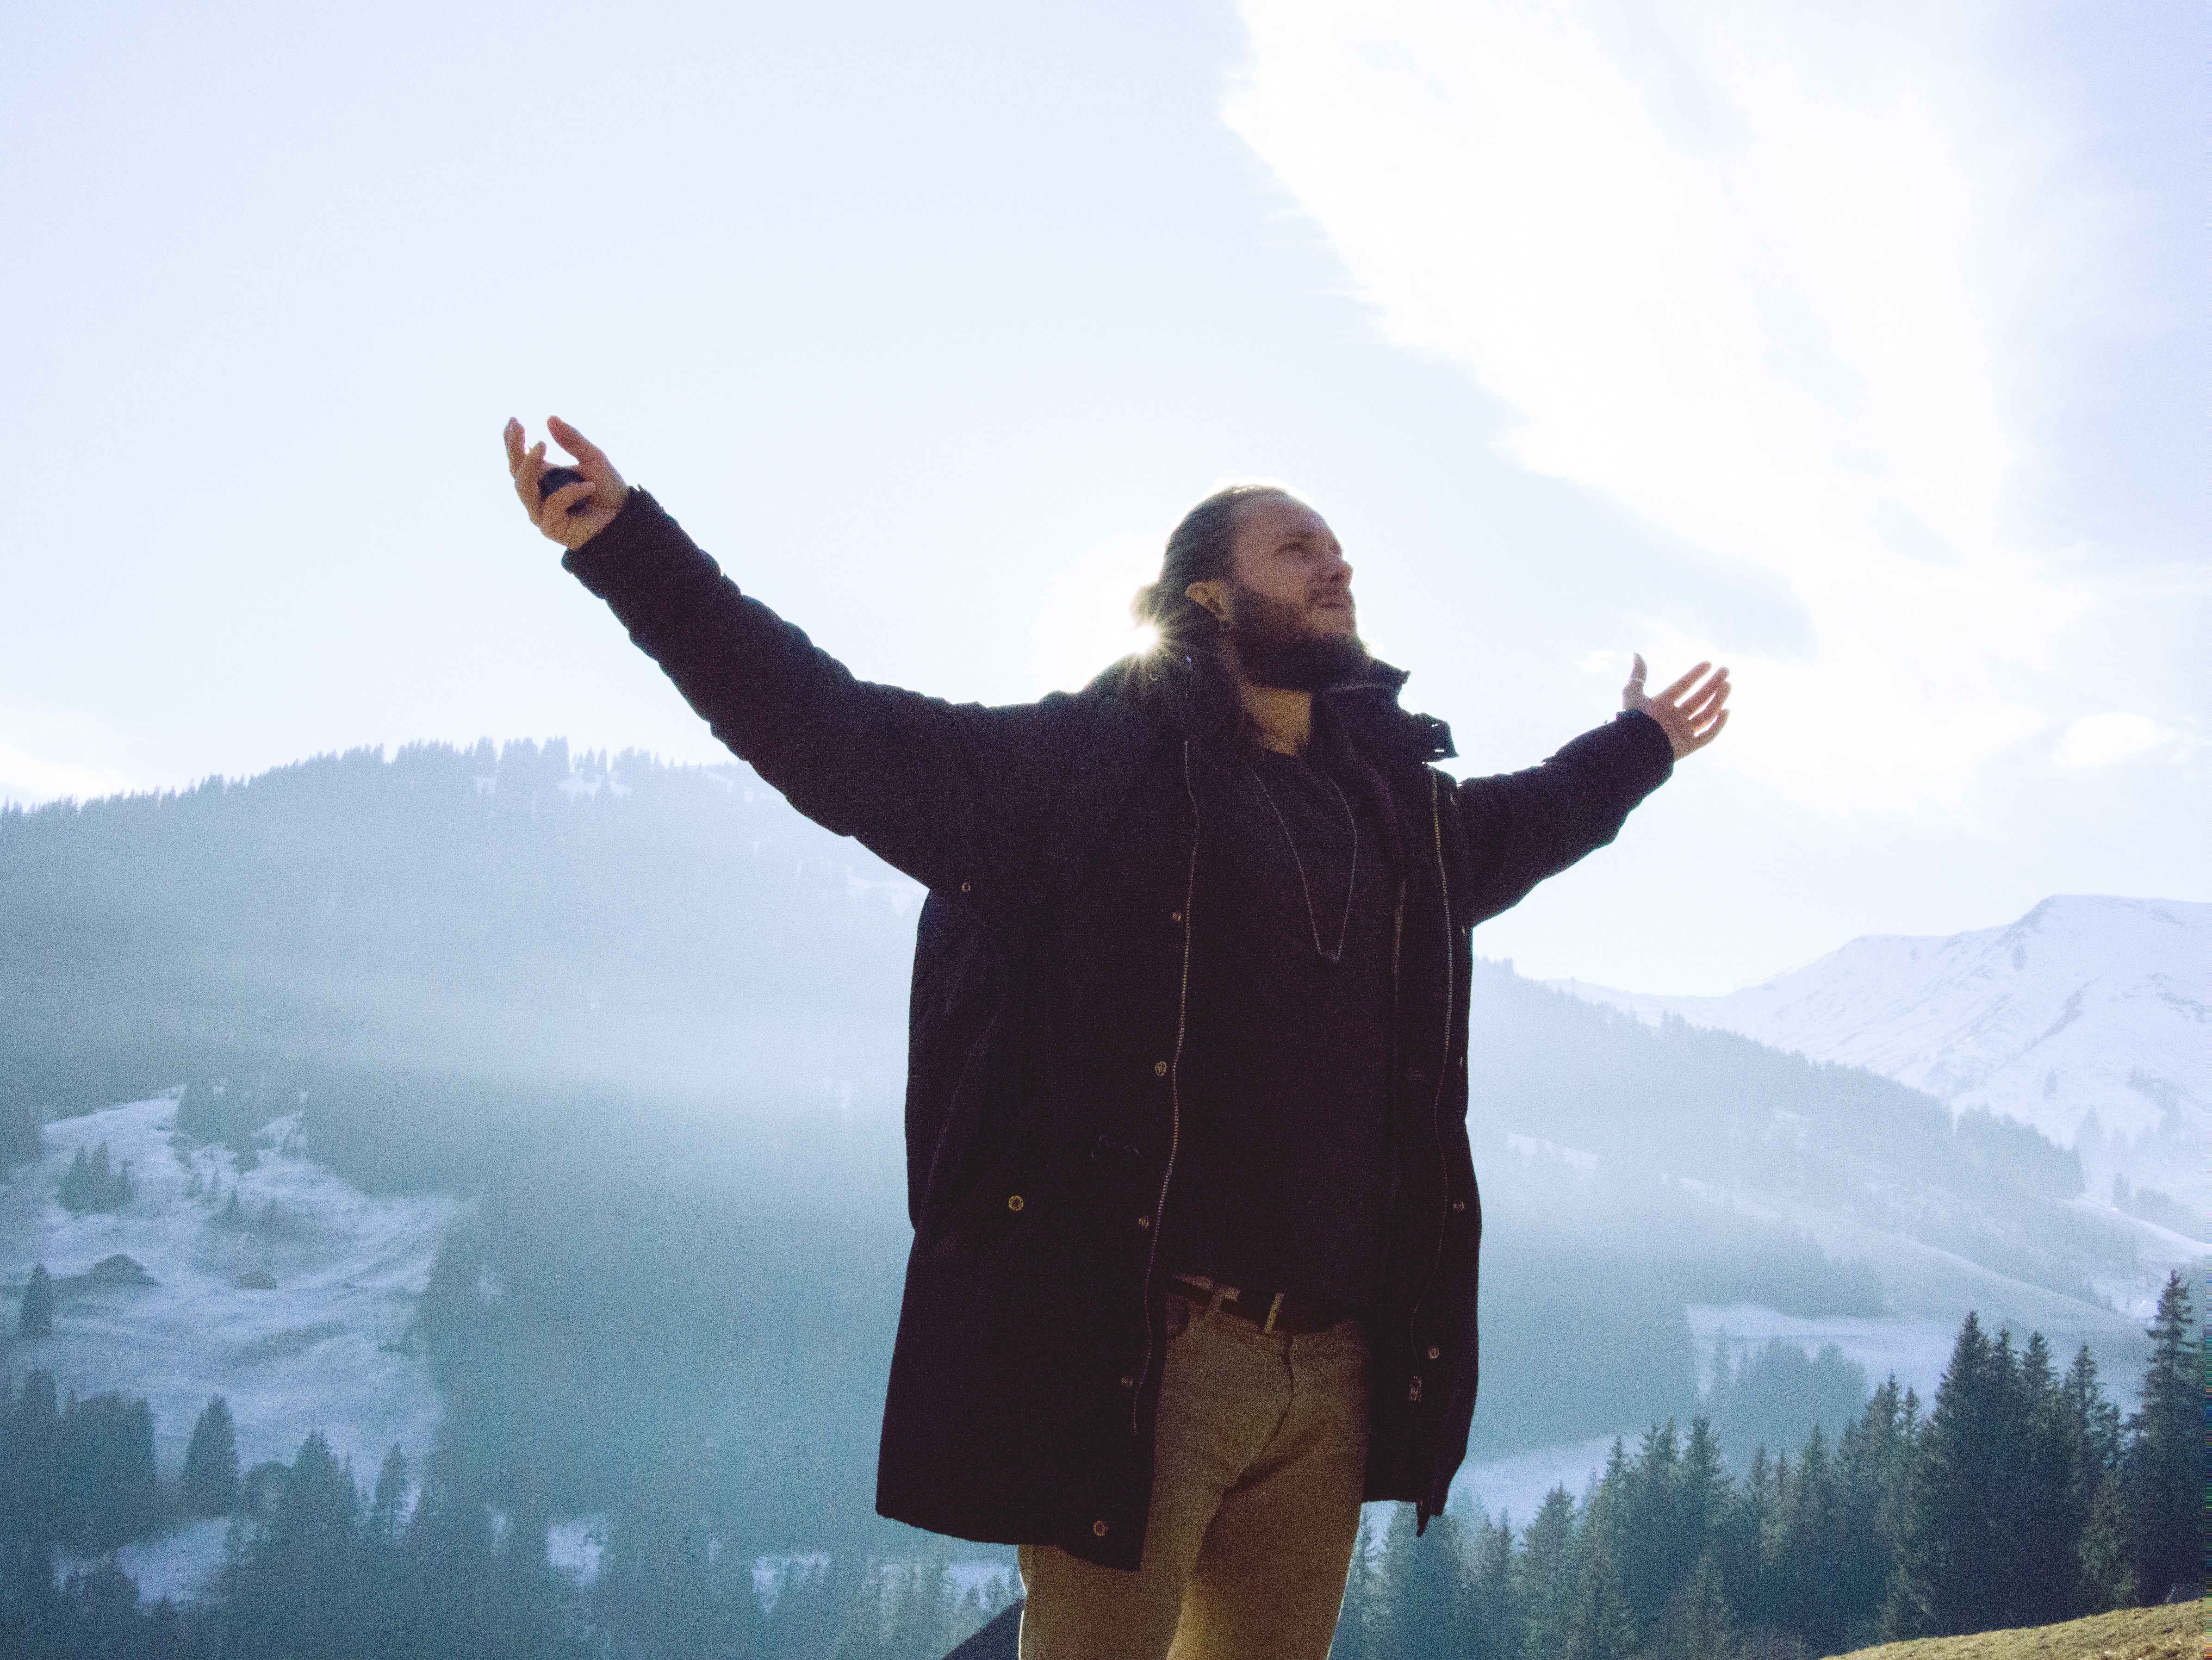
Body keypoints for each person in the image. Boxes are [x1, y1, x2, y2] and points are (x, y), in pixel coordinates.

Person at [504, 415, 1729, 1660]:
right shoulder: (1089, 774)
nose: (1335, 567)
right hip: (1146, 1365)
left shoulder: (1396, 812)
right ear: (1208, 593)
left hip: (1333, 1375)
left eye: (1342, 550)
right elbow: (838, 735)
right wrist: (631, 552)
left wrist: (1638, 744)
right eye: (1297, 547)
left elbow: (1527, 823)